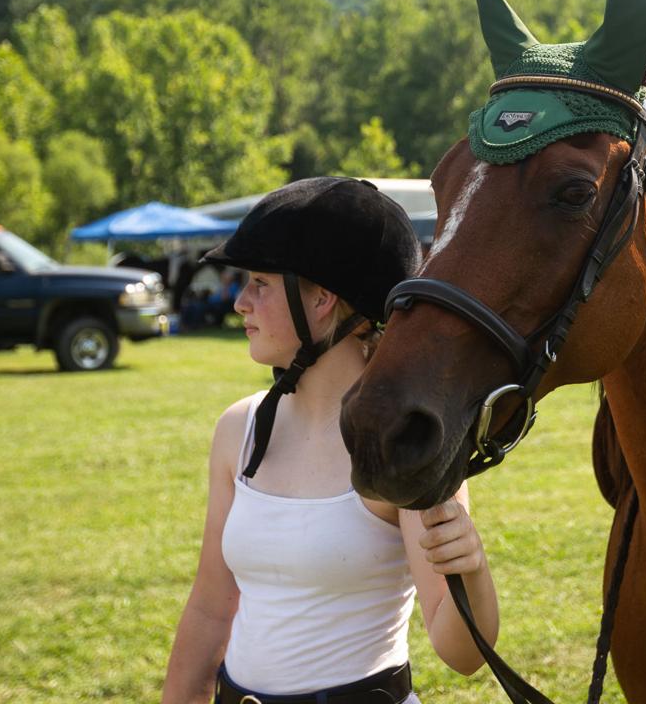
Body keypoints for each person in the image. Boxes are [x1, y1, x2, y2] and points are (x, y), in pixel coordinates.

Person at [162, 178, 499, 704]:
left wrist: (471, 567)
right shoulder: (240, 429)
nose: (240, 304)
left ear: (322, 299)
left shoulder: (401, 444)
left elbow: (462, 652)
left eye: (260, 283)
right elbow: (210, 605)